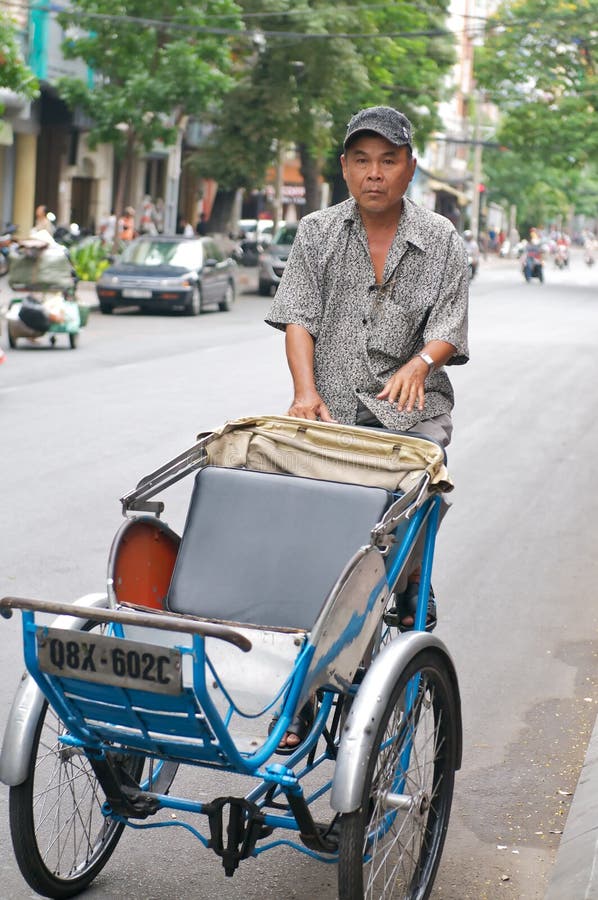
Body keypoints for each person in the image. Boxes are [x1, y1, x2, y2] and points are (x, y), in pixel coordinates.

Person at [266, 105, 469, 749]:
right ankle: (300, 685)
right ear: (345, 166)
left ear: (409, 167)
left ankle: (411, 582)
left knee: (410, 497)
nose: (373, 173)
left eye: (388, 160)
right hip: (328, 410)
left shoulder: (440, 239)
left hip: (412, 412)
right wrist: (304, 391)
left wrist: (419, 362)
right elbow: (300, 317)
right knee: (300, 529)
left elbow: (448, 326)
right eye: (361, 160)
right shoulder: (318, 232)